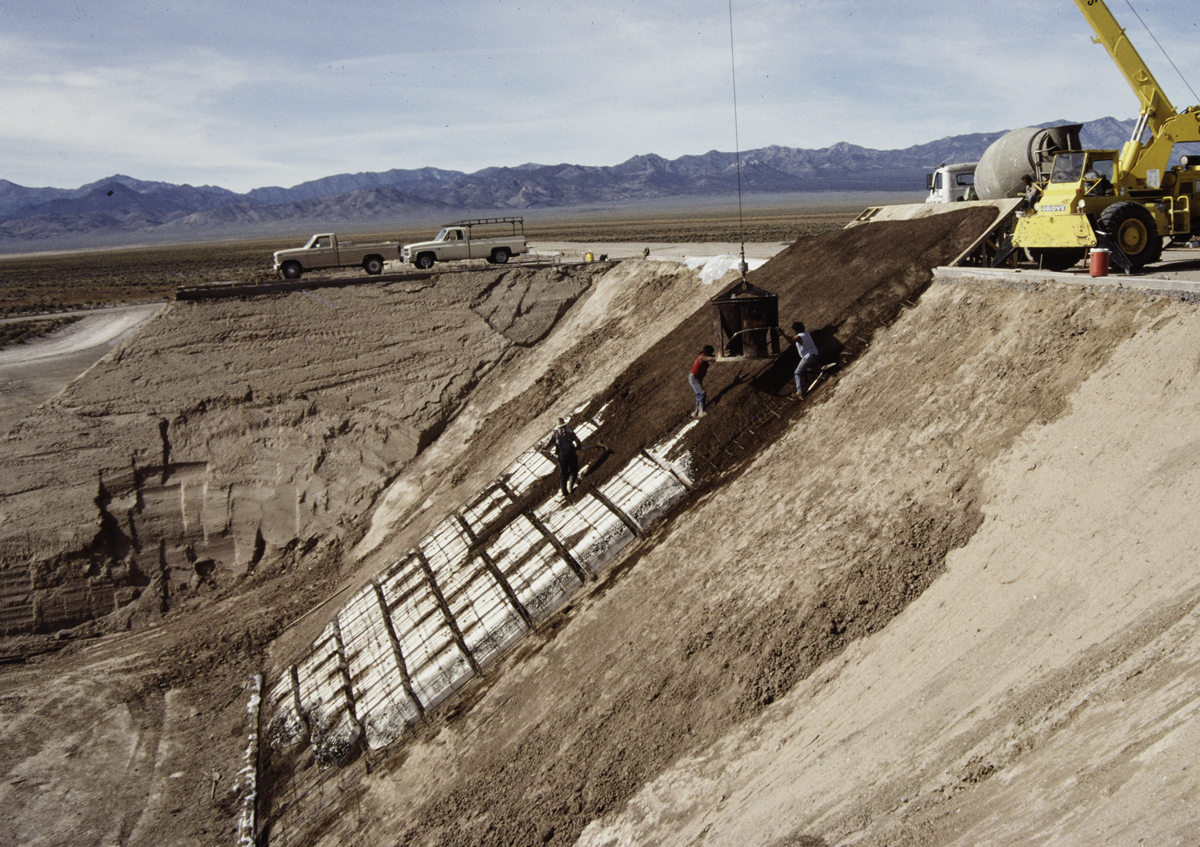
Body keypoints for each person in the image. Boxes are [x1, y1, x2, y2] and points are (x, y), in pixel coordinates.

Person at [543, 417, 582, 497]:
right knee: (573, 469)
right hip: (571, 453)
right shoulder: (569, 431)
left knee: (563, 474)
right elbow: (577, 440)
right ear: (564, 424)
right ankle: (570, 486)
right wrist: (578, 447)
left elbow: (547, 444)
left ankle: (564, 491)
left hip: (561, 456)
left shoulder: (555, 433)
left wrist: (543, 448)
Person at [782, 321, 819, 398]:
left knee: (797, 372)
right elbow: (793, 338)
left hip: (808, 357)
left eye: (794, 330)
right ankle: (816, 369)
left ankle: (800, 391)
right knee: (805, 369)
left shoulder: (799, 337)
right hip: (815, 354)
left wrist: (782, 334)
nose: (794, 332)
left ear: (798, 330)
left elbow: (791, 341)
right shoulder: (806, 332)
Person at [689, 345, 717, 418]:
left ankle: (696, 412)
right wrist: (719, 356)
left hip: (697, 377)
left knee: (699, 394)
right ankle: (701, 411)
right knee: (702, 393)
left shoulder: (703, 356)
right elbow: (712, 359)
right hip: (694, 377)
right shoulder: (702, 357)